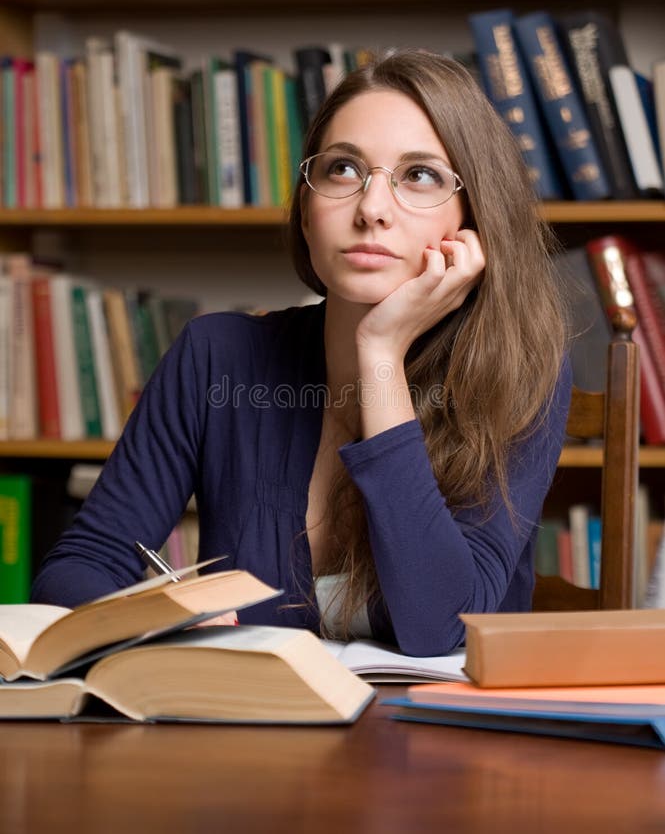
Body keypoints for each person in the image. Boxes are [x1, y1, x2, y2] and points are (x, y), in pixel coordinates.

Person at [31, 49, 571, 657]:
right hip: (248, 712)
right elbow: (79, 567)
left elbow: (438, 626)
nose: (372, 209)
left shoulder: (523, 376)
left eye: (420, 176)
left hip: (441, 719)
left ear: (474, 220)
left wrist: (380, 352)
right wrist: (165, 621)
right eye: (343, 169)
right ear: (308, 213)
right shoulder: (216, 357)